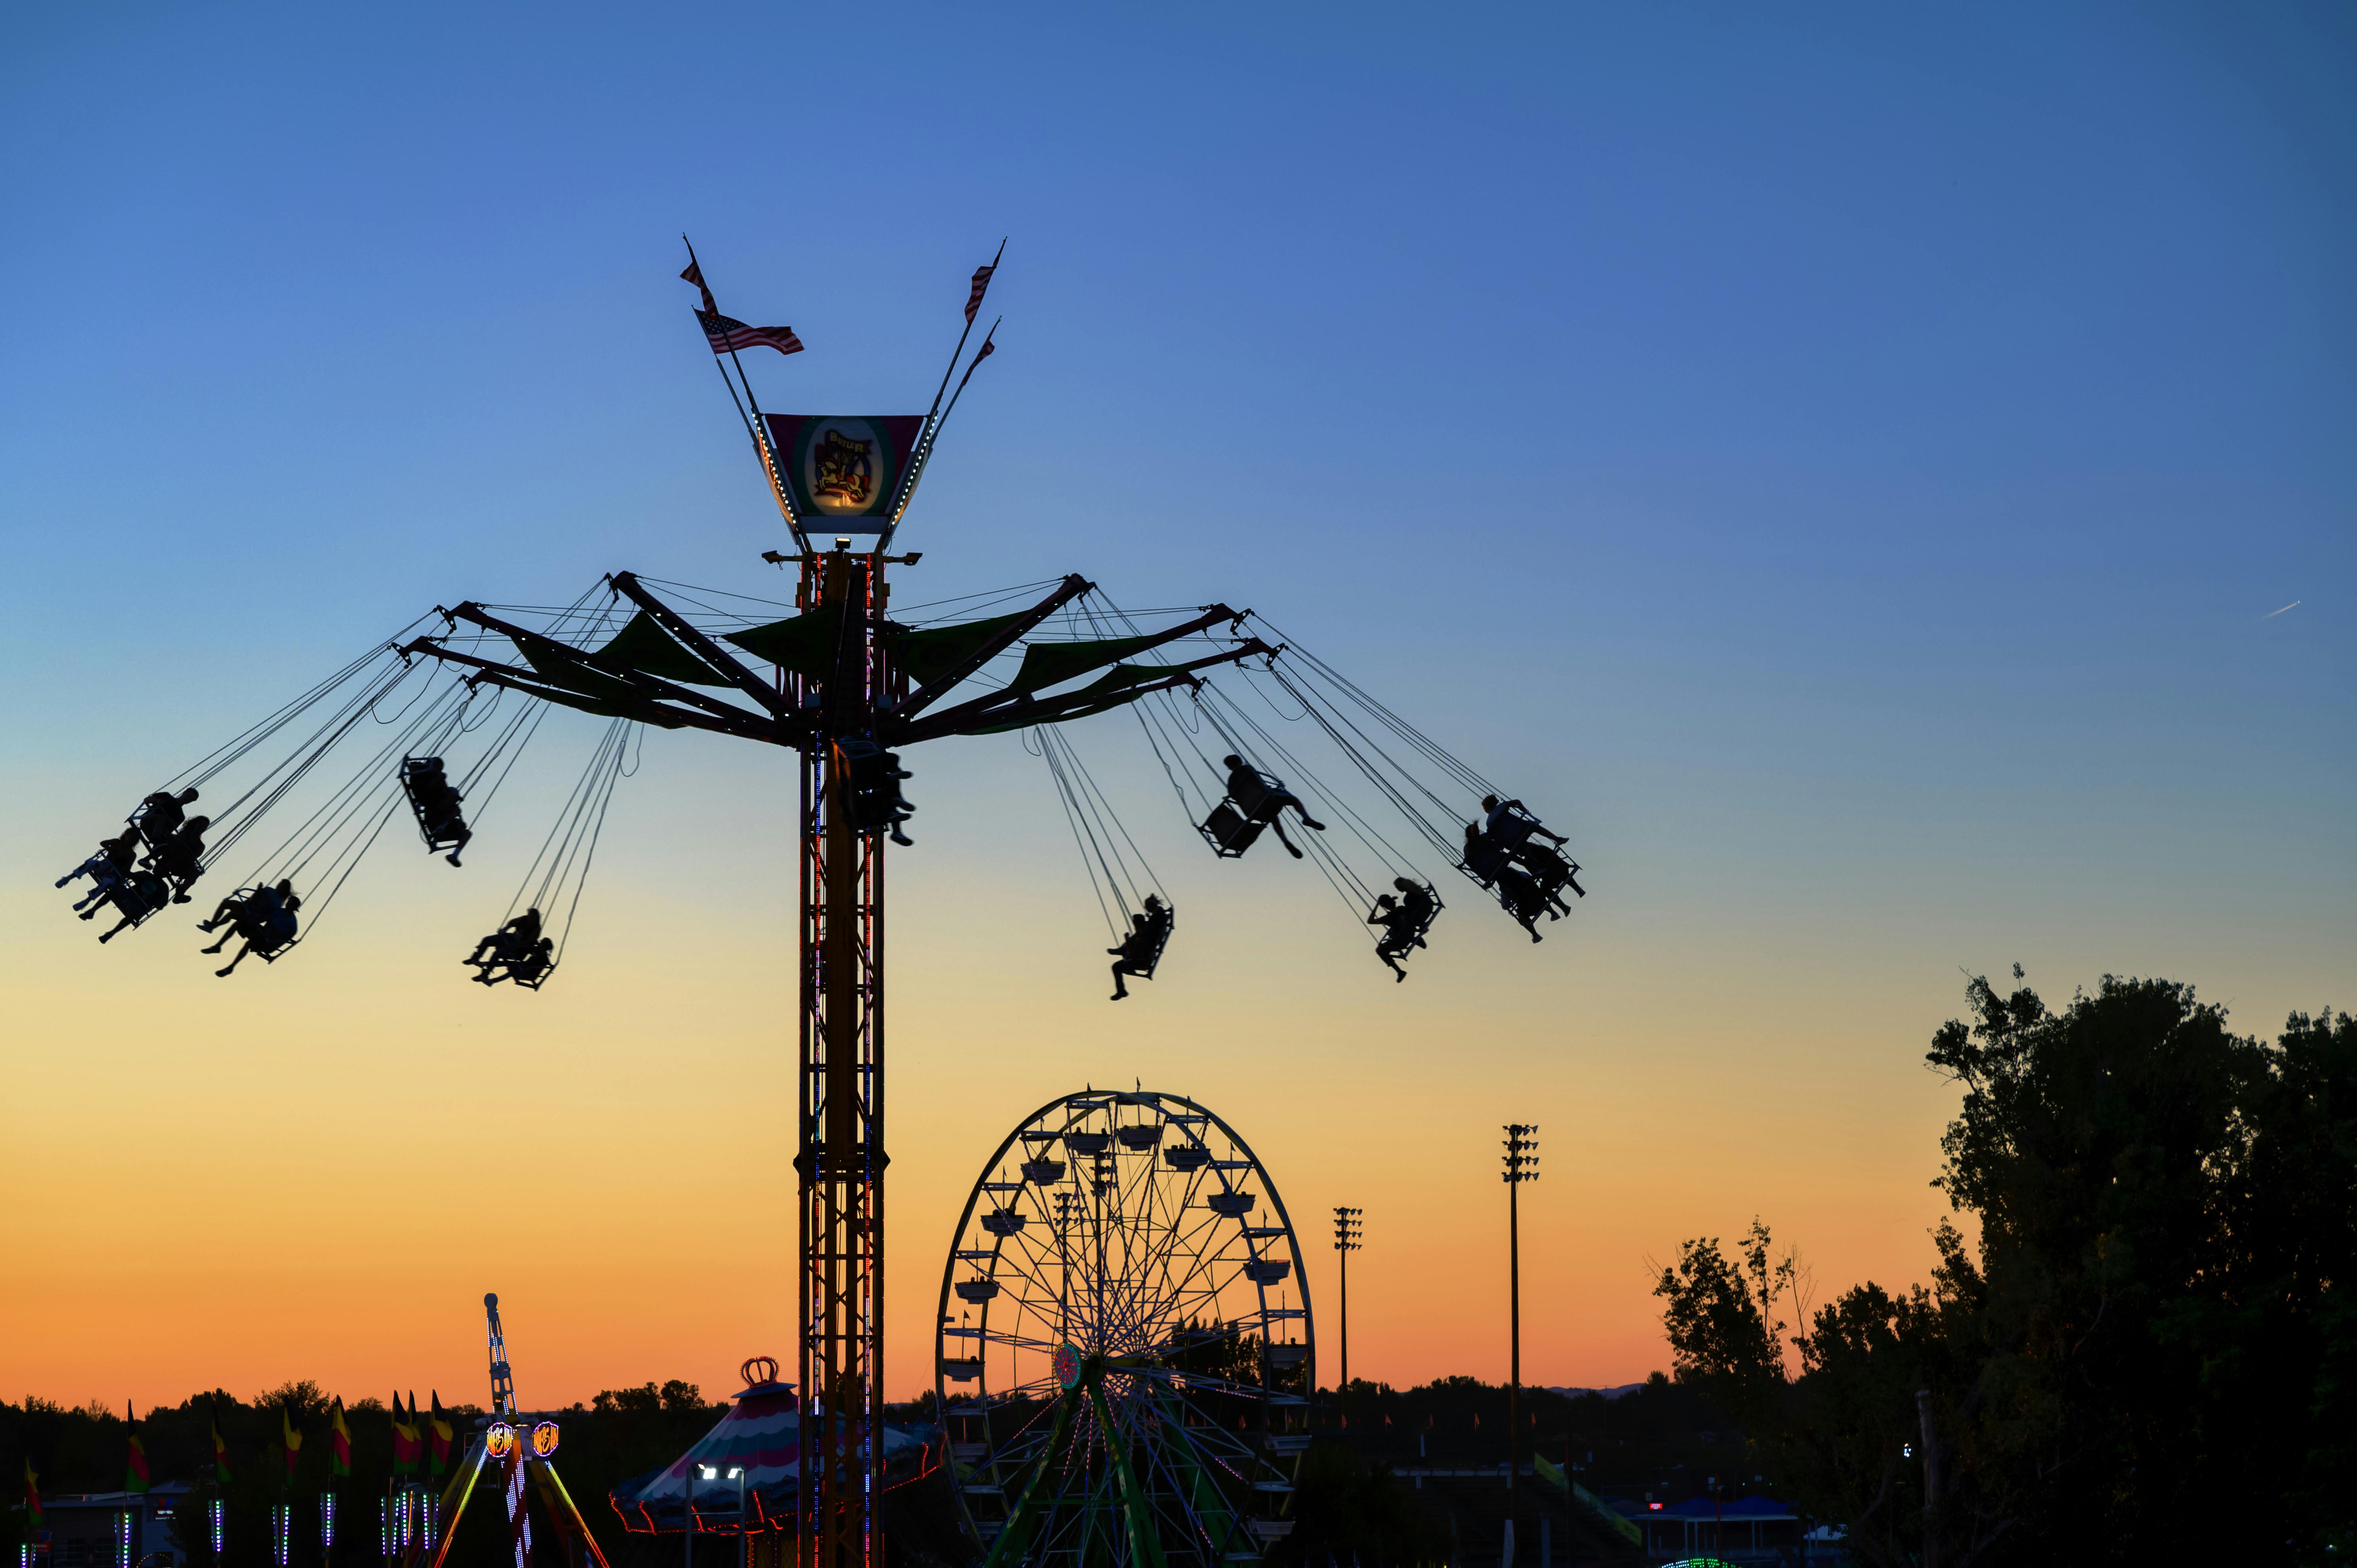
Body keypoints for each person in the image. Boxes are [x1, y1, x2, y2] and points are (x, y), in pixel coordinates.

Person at [1221, 754, 1324, 859]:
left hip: (1253, 811)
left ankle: (1285, 841)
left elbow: (1233, 796)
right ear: (1239, 761)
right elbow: (1259, 781)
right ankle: (1306, 818)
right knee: (1293, 799)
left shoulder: (1231, 782)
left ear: (1229, 767)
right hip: (1265, 799)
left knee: (1273, 818)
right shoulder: (1247, 768)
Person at [201, 883, 300, 977]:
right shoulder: (279, 912)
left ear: (294, 908)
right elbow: (265, 918)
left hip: (268, 941)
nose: (287, 905)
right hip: (260, 931)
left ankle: (231, 967)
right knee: (237, 923)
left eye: (290, 904)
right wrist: (254, 919)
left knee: (249, 943)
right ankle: (217, 946)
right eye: (288, 903)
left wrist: (267, 935)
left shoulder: (291, 923)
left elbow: (282, 937)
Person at [403, 758, 471, 866]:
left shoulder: (437, 781)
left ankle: (454, 855)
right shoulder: (424, 774)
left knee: (466, 832)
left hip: (439, 823)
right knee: (456, 809)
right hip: (433, 810)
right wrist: (435, 773)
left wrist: (459, 824)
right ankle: (442, 827)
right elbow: (412, 768)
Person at [1368, 878, 1439, 981]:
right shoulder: (1403, 908)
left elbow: (1370, 921)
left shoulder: (1389, 917)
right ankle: (1415, 939)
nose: (1398, 890)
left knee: (1380, 950)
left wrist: (1377, 906)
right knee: (1395, 930)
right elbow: (1411, 914)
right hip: (1410, 931)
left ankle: (1400, 971)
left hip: (1401, 941)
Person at [1108, 895, 1172, 1001]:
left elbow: (1133, 956)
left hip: (1140, 961)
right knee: (1134, 939)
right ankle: (1122, 951)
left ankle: (1121, 991)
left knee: (1116, 967)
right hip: (1141, 955)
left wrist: (1127, 941)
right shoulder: (1155, 920)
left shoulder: (1142, 939)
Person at [58, 830, 140, 907]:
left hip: (113, 872)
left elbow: (127, 868)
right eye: (131, 836)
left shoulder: (132, 855)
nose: (132, 839)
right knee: (91, 863)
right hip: (105, 864)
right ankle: (68, 878)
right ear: (126, 835)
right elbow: (103, 843)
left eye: (135, 838)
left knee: (108, 882)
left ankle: (87, 901)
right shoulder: (117, 842)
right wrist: (111, 849)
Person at [87, 870, 170, 942]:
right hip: (129, 895)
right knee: (116, 890)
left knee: (136, 913)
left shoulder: (164, 888)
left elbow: (161, 906)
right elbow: (132, 876)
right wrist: (130, 874)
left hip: (139, 904)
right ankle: (92, 911)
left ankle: (112, 933)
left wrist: (155, 900)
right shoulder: (147, 875)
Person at [144, 815, 209, 902]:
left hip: (181, 866)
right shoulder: (184, 834)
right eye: (200, 825)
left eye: (204, 827)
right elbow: (173, 843)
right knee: (172, 843)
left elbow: (192, 859)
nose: (201, 828)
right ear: (196, 824)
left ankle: (180, 893)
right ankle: (148, 859)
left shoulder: (200, 846)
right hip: (169, 859)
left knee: (196, 872)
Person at [466, 907, 542, 972]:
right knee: (486, 940)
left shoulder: (537, 929)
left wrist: (515, 945)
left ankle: (486, 973)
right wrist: (505, 929)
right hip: (511, 938)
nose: (530, 919)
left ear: (536, 918)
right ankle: (475, 958)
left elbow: (529, 942)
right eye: (529, 916)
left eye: (532, 917)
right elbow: (512, 922)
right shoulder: (524, 919)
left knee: (497, 954)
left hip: (518, 948)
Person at [1481, 794, 1568, 851]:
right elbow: (1517, 801)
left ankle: (1533, 864)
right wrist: (1523, 809)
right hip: (1523, 829)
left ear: (1487, 808)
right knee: (1536, 828)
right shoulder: (1503, 806)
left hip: (1511, 840)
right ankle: (1557, 839)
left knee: (1520, 849)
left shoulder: (1489, 822)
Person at [130, 787, 199, 851]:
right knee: (162, 818)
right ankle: (157, 840)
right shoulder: (167, 796)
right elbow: (147, 800)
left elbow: (170, 830)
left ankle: (159, 848)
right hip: (148, 821)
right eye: (189, 796)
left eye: (191, 800)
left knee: (174, 840)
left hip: (160, 831)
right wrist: (157, 801)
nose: (188, 799)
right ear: (185, 792)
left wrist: (171, 824)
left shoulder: (181, 816)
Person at [478, 935, 554, 988]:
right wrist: (515, 948)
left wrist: (551, 966)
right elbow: (525, 949)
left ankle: (491, 981)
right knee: (508, 963)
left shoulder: (544, 957)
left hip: (528, 973)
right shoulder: (537, 950)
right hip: (522, 967)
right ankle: (486, 964)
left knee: (512, 971)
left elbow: (544, 965)